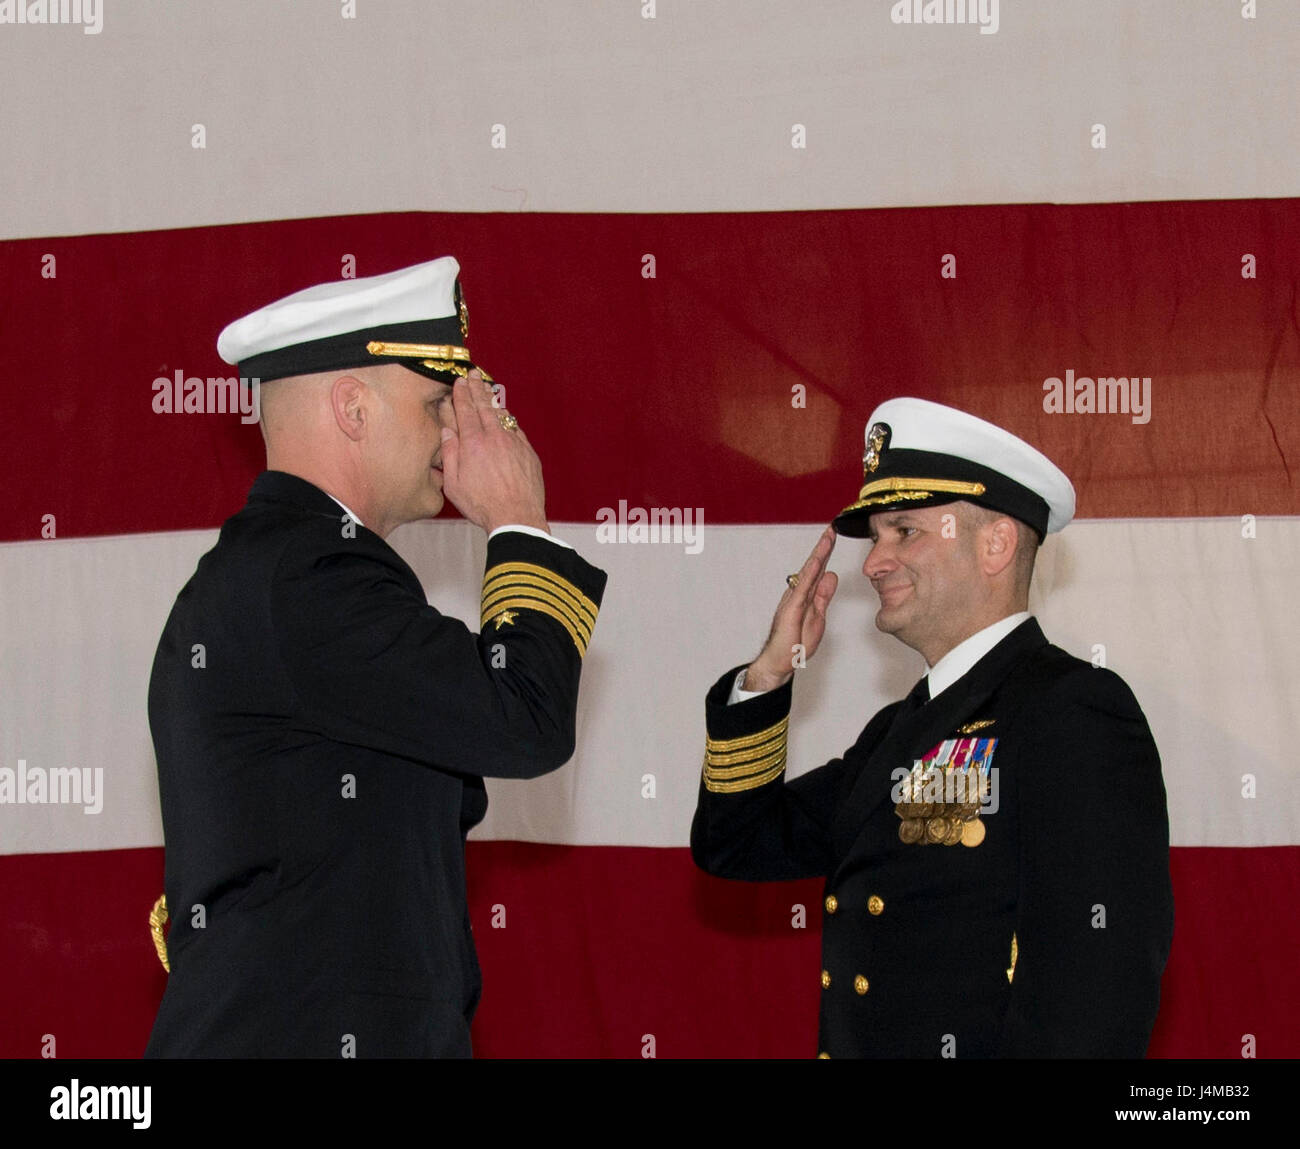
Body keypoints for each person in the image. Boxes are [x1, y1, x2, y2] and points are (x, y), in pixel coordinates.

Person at [145, 257, 606, 1058]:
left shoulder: (287, 572)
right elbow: (524, 717)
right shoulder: (312, 577)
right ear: (352, 408)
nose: (456, 433)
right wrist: (520, 523)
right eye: (436, 404)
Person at [690, 397, 1173, 1058]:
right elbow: (739, 845)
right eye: (876, 536)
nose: (873, 562)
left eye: (903, 530)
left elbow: (1093, 1000)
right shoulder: (899, 728)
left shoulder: (1071, 709)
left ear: (996, 542)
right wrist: (768, 678)